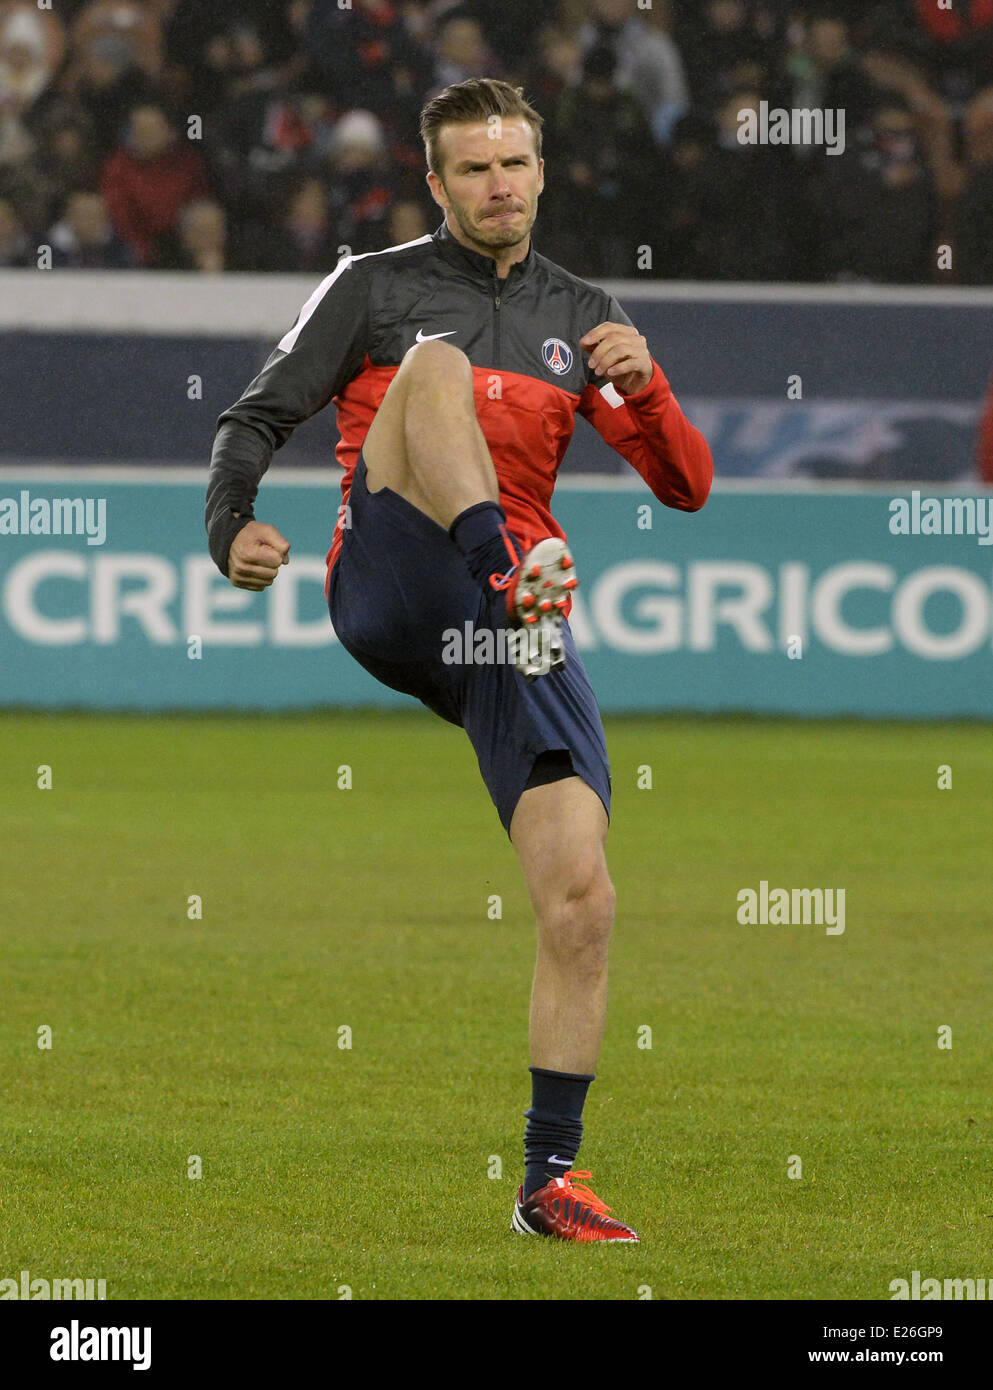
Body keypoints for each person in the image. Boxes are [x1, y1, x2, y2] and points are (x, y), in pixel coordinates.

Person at [205, 78, 712, 1243]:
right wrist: (227, 525)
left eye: (516, 163)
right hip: (396, 577)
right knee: (434, 372)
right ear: (436, 183)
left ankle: (549, 1182)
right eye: (475, 167)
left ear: (542, 171)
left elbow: (686, 486)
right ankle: (505, 568)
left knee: (582, 898)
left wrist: (648, 384)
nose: (500, 184)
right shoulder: (377, 287)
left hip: (510, 627)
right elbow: (254, 416)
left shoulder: (583, 314)